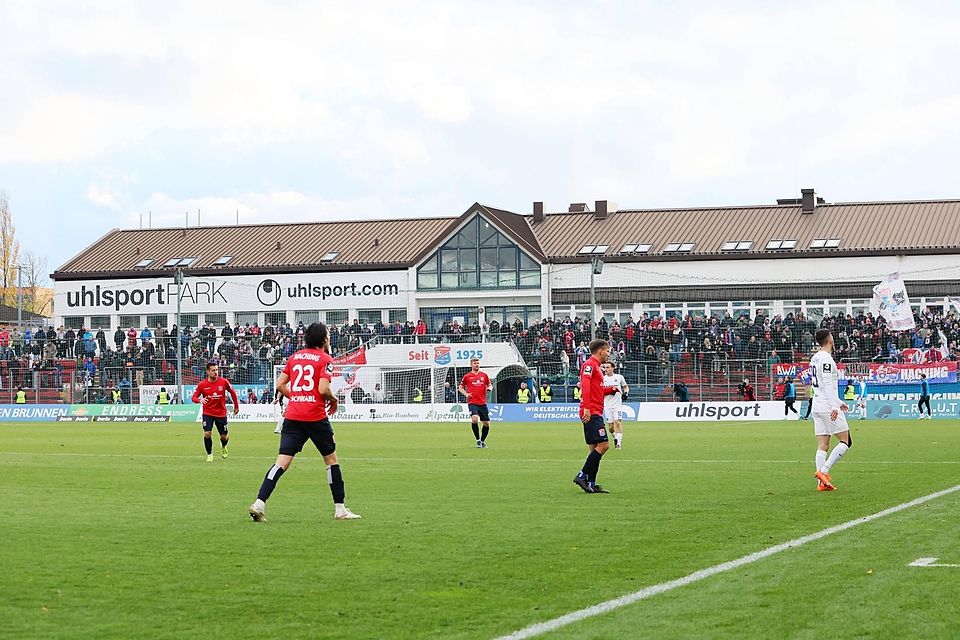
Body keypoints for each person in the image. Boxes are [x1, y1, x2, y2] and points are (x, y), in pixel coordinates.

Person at [249, 322, 360, 522]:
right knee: (331, 460)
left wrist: (298, 396)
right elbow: (323, 389)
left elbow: (280, 384)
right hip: (315, 417)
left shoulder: (294, 357)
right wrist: (333, 400)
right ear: (324, 339)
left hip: (292, 416)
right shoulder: (325, 359)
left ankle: (259, 503)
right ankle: (340, 509)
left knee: (281, 462)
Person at [573, 339, 620, 494]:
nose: (608, 354)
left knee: (594, 448)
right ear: (600, 350)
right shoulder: (589, 365)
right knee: (604, 445)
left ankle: (591, 483)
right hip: (591, 411)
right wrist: (586, 407)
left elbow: (596, 389)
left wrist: (610, 390)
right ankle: (581, 476)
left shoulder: (597, 368)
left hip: (595, 410)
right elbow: (585, 385)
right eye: (607, 351)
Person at [809, 329, 852, 492]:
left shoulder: (815, 358)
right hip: (827, 407)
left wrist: (838, 402)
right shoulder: (826, 359)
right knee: (846, 441)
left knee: (823, 445)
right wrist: (834, 406)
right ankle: (823, 472)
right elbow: (827, 383)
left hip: (817, 405)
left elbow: (818, 385)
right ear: (830, 340)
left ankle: (821, 484)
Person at [192, 362, 240, 462]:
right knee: (207, 433)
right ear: (208, 372)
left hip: (221, 413)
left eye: (217, 370)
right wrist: (199, 400)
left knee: (224, 436)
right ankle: (209, 455)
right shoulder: (202, 385)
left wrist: (236, 406)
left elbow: (233, 393)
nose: (216, 372)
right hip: (208, 413)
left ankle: (223, 446)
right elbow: (194, 397)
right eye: (213, 370)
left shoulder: (224, 382)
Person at [458, 357, 493, 448]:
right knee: (474, 419)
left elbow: (489, 385)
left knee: (486, 423)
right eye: (475, 363)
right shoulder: (467, 376)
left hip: (482, 402)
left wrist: (489, 388)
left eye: (478, 363)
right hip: (472, 402)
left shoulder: (484, 375)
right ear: (471, 365)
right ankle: (478, 440)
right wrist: (466, 394)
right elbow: (460, 388)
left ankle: (482, 441)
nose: (477, 364)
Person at [602, 362, 629, 449]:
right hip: (607, 405)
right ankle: (614, 437)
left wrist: (626, 393)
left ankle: (618, 444)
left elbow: (625, 386)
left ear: (613, 368)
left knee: (617, 422)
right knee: (610, 427)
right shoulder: (602, 378)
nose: (606, 369)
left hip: (617, 405)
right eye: (605, 367)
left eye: (608, 367)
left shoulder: (619, 377)